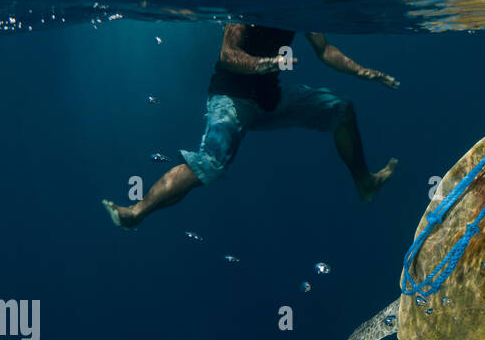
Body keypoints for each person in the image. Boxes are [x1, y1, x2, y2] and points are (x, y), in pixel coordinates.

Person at [102, 24, 399, 228]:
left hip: (269, 99)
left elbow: (324, 50)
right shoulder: (248, 4)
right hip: (230, 98)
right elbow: (227, 54)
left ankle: (365, 183)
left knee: (341, 108)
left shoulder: (297, 5)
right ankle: (136, 212)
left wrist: (364, 72)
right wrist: (259, 65)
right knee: (210, 162)